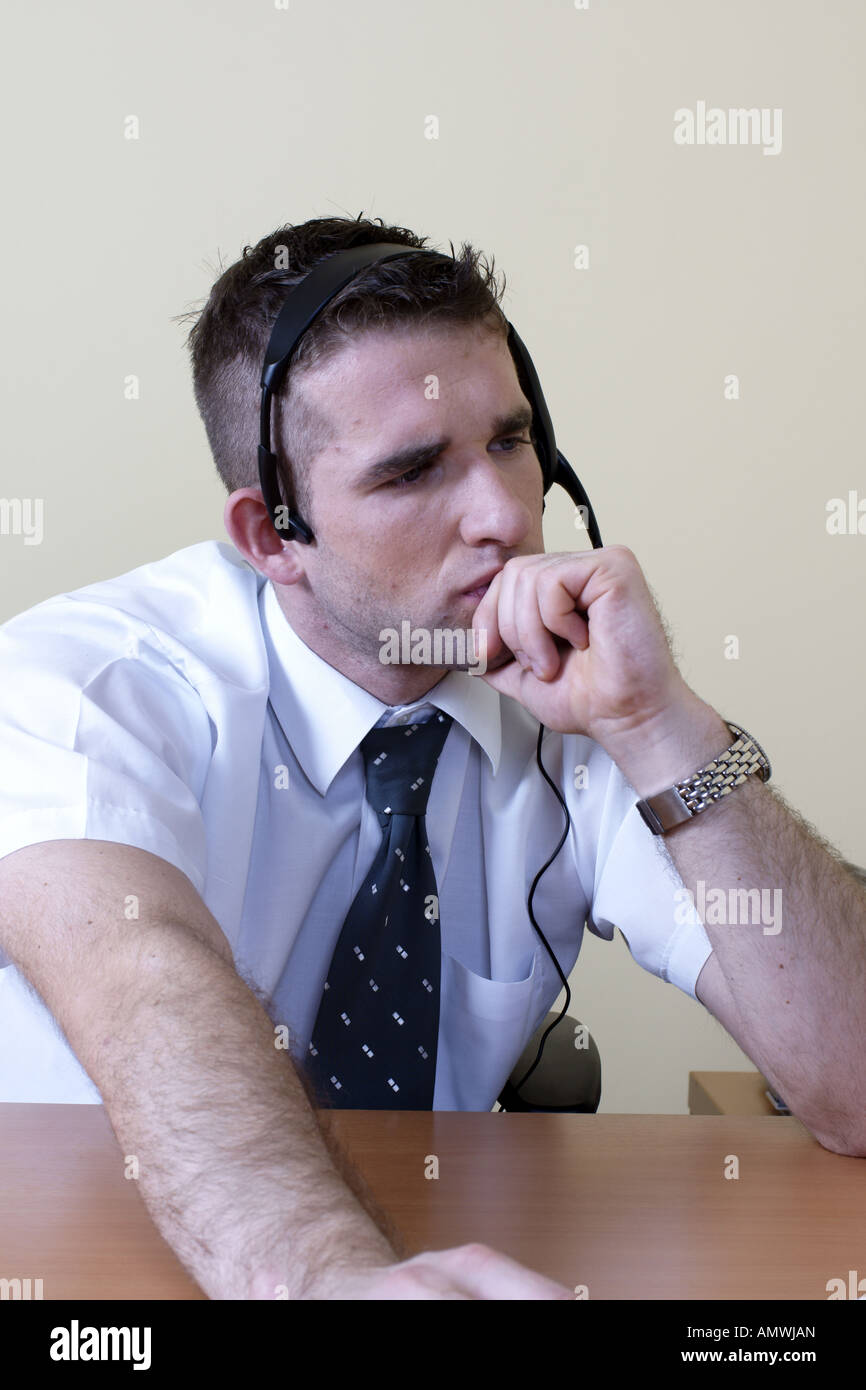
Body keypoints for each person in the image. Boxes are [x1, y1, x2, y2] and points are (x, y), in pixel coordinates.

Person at [1, 216, 864, 1303]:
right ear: (272, 537)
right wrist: (330, 1285)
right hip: (96, 1268)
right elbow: (145, 982)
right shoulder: (79, 689)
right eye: (412, 472)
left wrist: (658, 726)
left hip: (433, 1245)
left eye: (511, 442)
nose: (503, 516)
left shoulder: (567, 684)